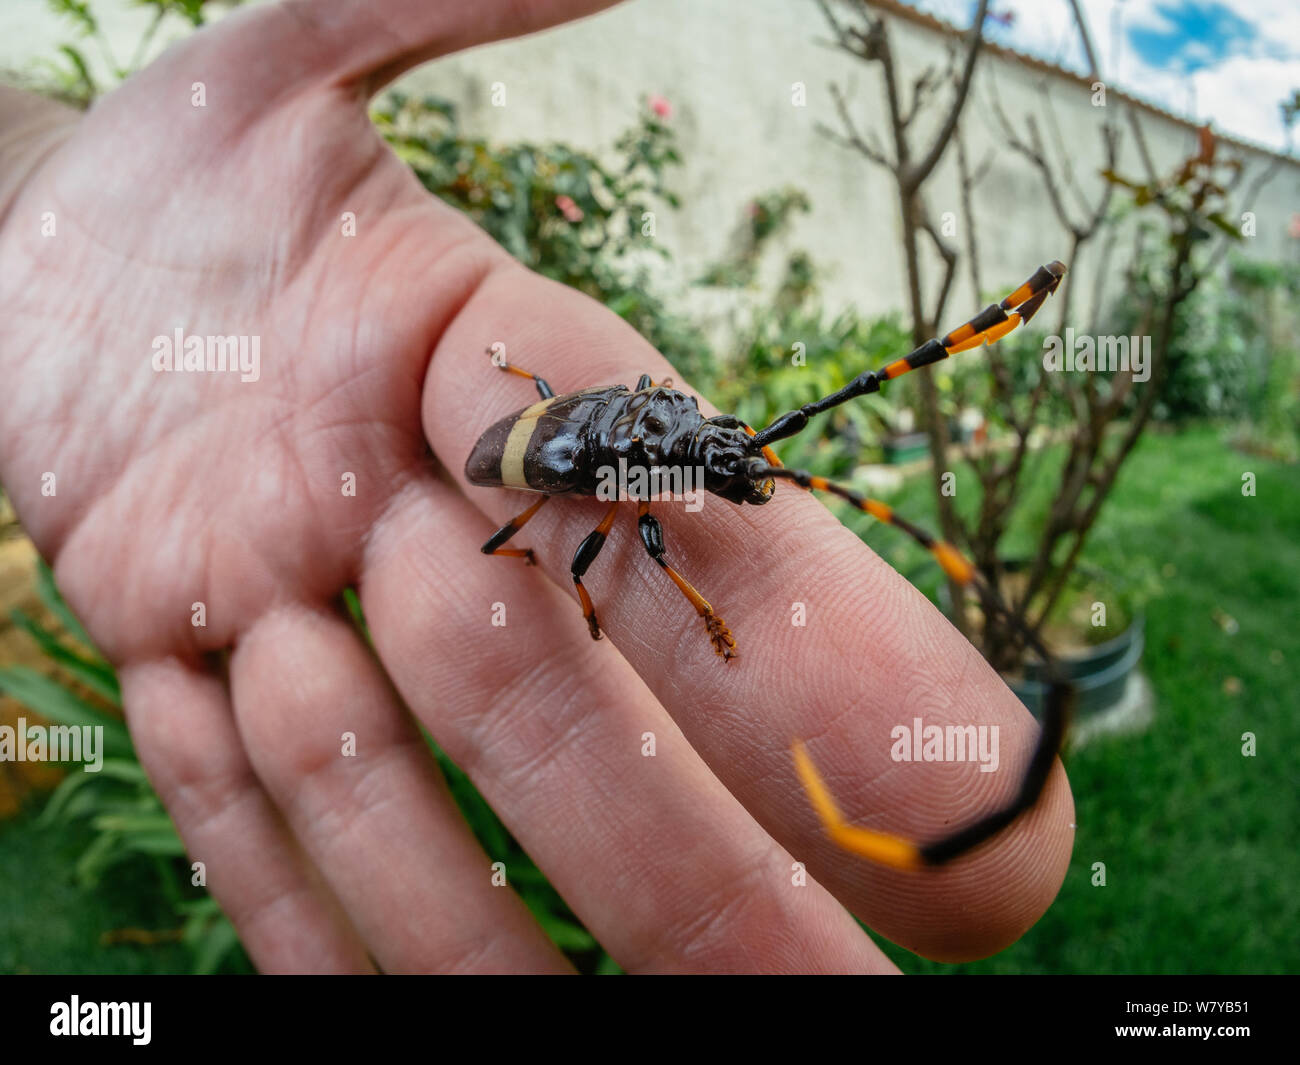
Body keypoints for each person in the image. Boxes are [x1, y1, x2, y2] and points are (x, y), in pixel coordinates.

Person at [0, 0, 1072, 973]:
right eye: (717, 457)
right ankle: (563, 548)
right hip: (535, 452)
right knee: (601, 550)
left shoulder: (674, 433)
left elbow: (684, 433)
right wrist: (682, 607)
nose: (739, 468)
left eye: (726, 456)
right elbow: (624, 515)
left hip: (570, 418)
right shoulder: (624, 484)